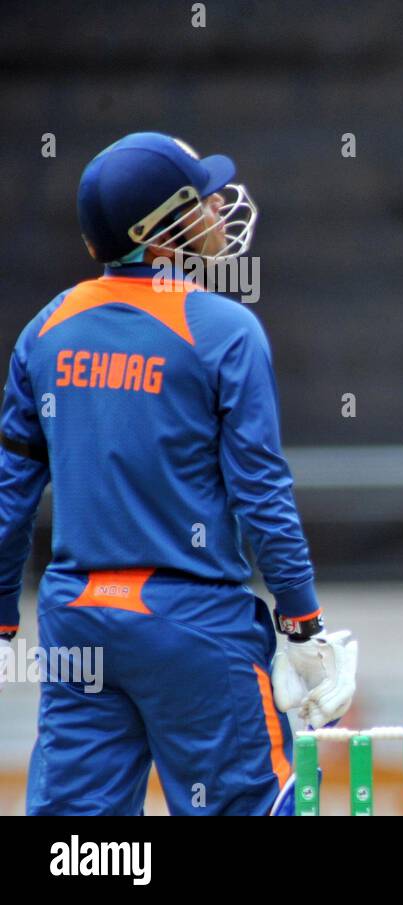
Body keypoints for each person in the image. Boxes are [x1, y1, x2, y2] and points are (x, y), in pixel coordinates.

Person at [0, 132, 357, 815]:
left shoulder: (44, 329)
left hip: (79, 620)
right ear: (158, 232)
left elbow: (10, 495)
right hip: (192, 622)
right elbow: (261, 492)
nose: (221, 208)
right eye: (202, 199)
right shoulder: (223, 329)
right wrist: (303, 621)